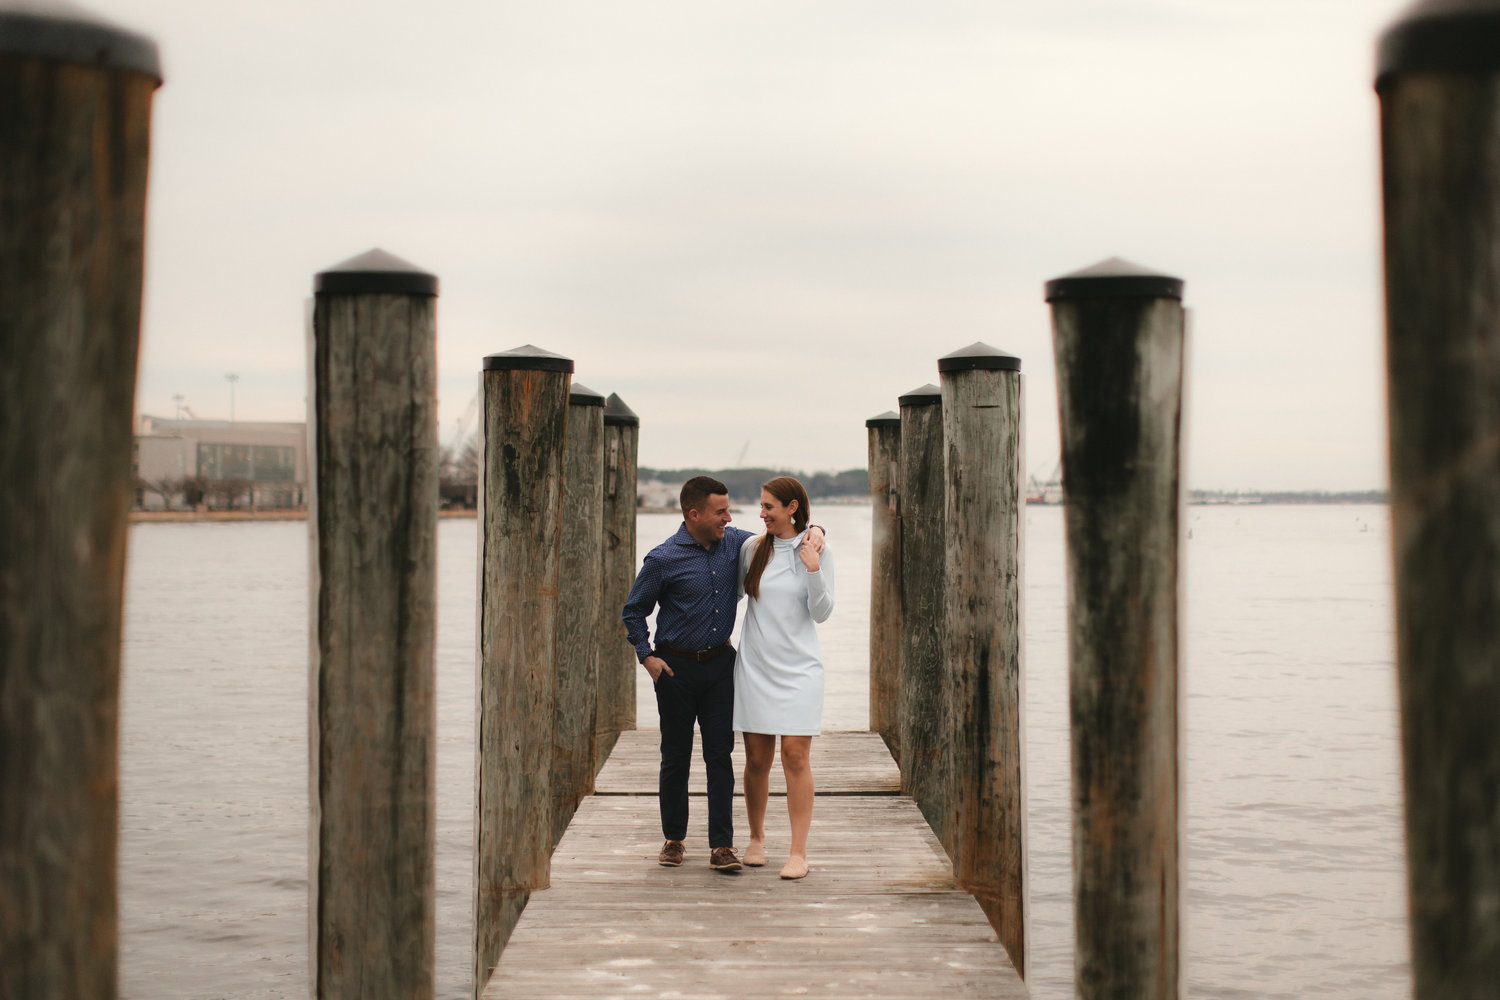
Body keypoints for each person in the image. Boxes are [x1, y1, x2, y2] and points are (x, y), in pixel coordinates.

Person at [622, 475, 824, 873]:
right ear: (694, 514)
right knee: (675, 756)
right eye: (721, 511)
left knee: (721, 756)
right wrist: (646, 657)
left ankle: (722, 846)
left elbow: (784, 535)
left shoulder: (737, 544)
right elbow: (633, 611)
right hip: (674, 669)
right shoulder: (662, 558)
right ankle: (674, 839)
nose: (730, 518)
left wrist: (816, 530)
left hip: (721, 667)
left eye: (730, 510)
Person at [733, 476, 834, 880]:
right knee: (757, 758)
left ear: (792, 508)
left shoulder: (818, 551)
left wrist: (813, 568)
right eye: (760, 506)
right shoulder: (751, 549)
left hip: (801, 669)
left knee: (795, 756)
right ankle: (756, 838)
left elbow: (822, 612)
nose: (761, 514)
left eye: (768, 507)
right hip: (756, 666)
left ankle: (798, 852)